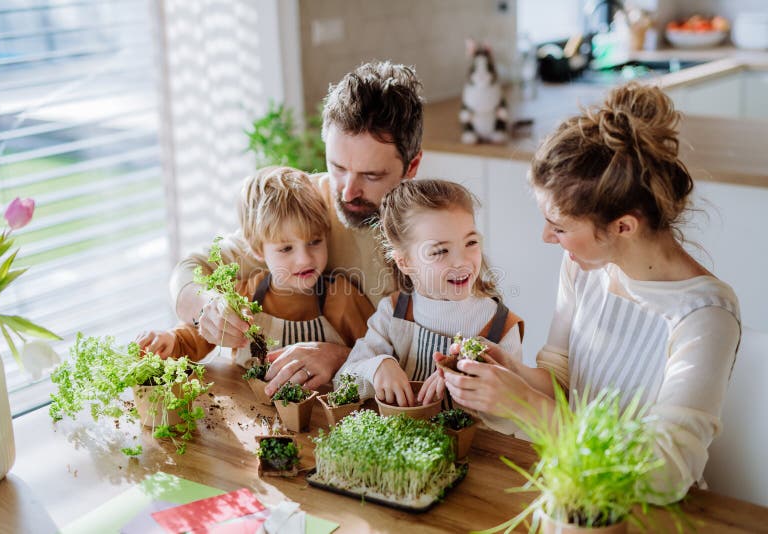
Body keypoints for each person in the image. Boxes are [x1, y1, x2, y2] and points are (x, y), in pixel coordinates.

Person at [439, 83, 741, 503]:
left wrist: (524, 404)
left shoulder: (705, 316)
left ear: (623, 226)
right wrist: (510, 373)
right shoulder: (586, 266)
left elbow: (666, 472)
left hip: (642, 513)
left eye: (559, 227)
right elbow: (565, 384)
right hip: (572, 491)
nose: (547, 237)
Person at [168, 61, 424, 395]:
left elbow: (432, 365)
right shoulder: (308, 205)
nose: (347, 191)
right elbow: (189, 270)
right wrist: (207, 308)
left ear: (412, 166)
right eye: (338, 167)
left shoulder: (435, 236)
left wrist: (341, 358)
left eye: (371, 176)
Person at [138, 167, 374, 366]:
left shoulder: (343, 300)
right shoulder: (243, 295)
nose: (305, 259)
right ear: (257, 250)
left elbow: (376, 358)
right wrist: (169, 341)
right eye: (286, 249)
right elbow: (193, 337)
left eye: (315, 242)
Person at [336, 179, 524, 409]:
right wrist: (376, 367)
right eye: (440, 251)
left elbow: (515, 416)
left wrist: (474, 385)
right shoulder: (393, 313)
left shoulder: (500, 327)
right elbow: (341, 382)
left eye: (471, 242)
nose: (461, 261)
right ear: (405, 262)